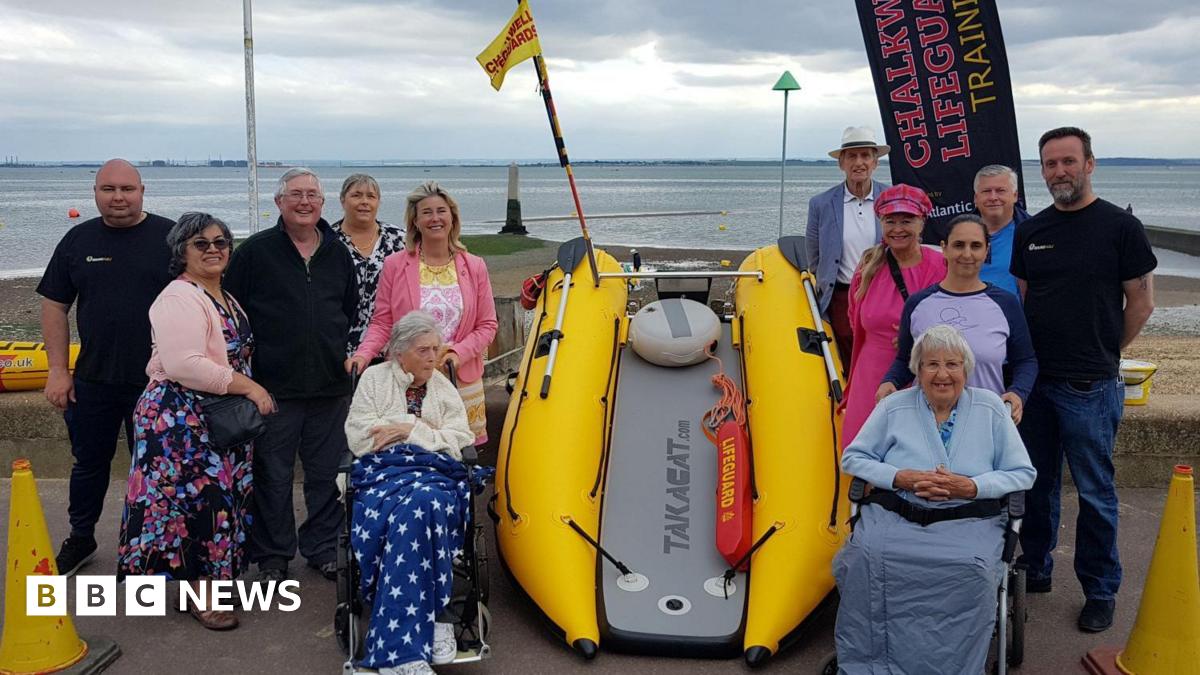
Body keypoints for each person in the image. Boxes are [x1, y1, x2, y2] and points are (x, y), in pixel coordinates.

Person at [1012, 127, 1156, 632]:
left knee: (1095, 493)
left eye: (1069, 161)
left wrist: (1105, 351)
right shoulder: (1031, 231)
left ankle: (1100, 589)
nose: (1060, 172)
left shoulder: (1121, 227)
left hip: (1090, 386)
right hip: (1037, 383)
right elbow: (1026, 298)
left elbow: (1141, 302)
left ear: (1089, 164)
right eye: (1050, 164)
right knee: (1036, 484)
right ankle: (1036, 567)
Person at [834, 325, 1036, 674]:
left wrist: (971, 487)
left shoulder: (990, 407)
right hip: (898, 514)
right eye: (932, 364)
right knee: (863, 559)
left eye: (952, 364)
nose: (942, 374)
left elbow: (1022, 473)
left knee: (973, 569)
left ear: (966, 370)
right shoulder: (894, 406)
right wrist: (900, 477)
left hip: (971, 519)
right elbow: (853, 458)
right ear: (917, 369)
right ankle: (872, 665)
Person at [116, 213, 275, 630]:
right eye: (201, 243)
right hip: (178, 418)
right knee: (198, 505)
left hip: (217, 415)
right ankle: (200, 593)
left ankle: (213, 581)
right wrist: (251, 388)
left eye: (221, 242)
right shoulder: (178, 298)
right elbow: (185, 364)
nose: (213, 250)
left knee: (222, 501)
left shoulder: (223, 295)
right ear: (181, 251)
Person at [37, 159, 175, 576]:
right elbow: (54, 305)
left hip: (157, 381)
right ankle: (81, 537)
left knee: (153, 470)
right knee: (88, 464)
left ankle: (148, 547)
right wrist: (57, 370)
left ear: (142, 191)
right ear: (95, 193)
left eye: (127, 189)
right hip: (93, 379)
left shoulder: (170, 238)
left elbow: (201, 296)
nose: (118, 197)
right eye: (108, 189)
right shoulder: (77, 240)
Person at [224, 167, 359, 583]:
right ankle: (273, 555)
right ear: (279, 202)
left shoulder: (339, 253)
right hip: (272, 388)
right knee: (272, 475)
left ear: (323, 203)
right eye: (295, 194)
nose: (304, 202)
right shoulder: (255, 252)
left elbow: (349, 309)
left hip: (329, 387)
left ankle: (323, 547)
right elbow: (233, 312)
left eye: (312, 195)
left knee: (327, 475)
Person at [344, 311, 478, 675]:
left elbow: (461, 438)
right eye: (423, 350)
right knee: (417, 506)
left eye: (435, 348)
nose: (433, 357)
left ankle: (405, 645)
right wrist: (424, 429)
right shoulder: (374, 379)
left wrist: (408, 430)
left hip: (435, 476)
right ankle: (432, 622)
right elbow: (359, 434)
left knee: (424, 501)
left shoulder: (442, 387)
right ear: (399, 353)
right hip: (384, 476)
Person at [349, 181, 497, 444]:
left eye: (441, 211)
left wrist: (458, 353)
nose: (435, 218)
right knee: (407, 445)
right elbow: (383, 322)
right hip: (408, 378)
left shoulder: (474, 266)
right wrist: (363, 355)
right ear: (415, 221)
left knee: (459, 449)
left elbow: (487, 325)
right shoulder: (395, 265)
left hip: (459, 376)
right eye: (426, 212)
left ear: (452, 217)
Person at [876, 214, 1037, 423]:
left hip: (985, 421)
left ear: (986, 250)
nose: (967, 254)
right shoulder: (918, 304)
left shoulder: (1006, 304)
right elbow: (905, 360)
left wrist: (1017, 393)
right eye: (959, 245)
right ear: (944, 248)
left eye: (976, 246)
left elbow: (1026, 361)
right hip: (926, 422)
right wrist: (890, 382)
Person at [840, 184, 945, 446]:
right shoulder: (868, 267)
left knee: (915, 451)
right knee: (863, 448)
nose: (898, 228)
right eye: (890, 221)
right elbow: (854, 316)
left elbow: (953, 318)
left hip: (921, 374)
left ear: (922, 222)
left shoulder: (939, 266)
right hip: (870, 373)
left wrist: (918, 339)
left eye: (906, 220)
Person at [805, 126, 890, 364]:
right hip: (841, 296)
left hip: (882, 293)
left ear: (875, 162)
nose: (859, 163)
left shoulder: (890, 198)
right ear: (841, 163)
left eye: (865, 156)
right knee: (847, 357)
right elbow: (814, 255)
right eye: (852, 156)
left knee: (880, 353)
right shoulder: (820, 204)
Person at [332, 173, 406, 356]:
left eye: (371, 196)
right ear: (342, 200)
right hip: (339, 346)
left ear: (378, 202)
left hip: (391, 347)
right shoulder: (328, 242)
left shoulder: (400, 239)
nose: (364, 201)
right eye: (356, 195)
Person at [973, 164, 1029, 297]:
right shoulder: (959, 235)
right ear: (976, 198)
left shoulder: (1032, 233)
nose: (993, 197)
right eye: (986, 191)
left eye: (1000, 190)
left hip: (1018, 310)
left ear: (1015, 195)